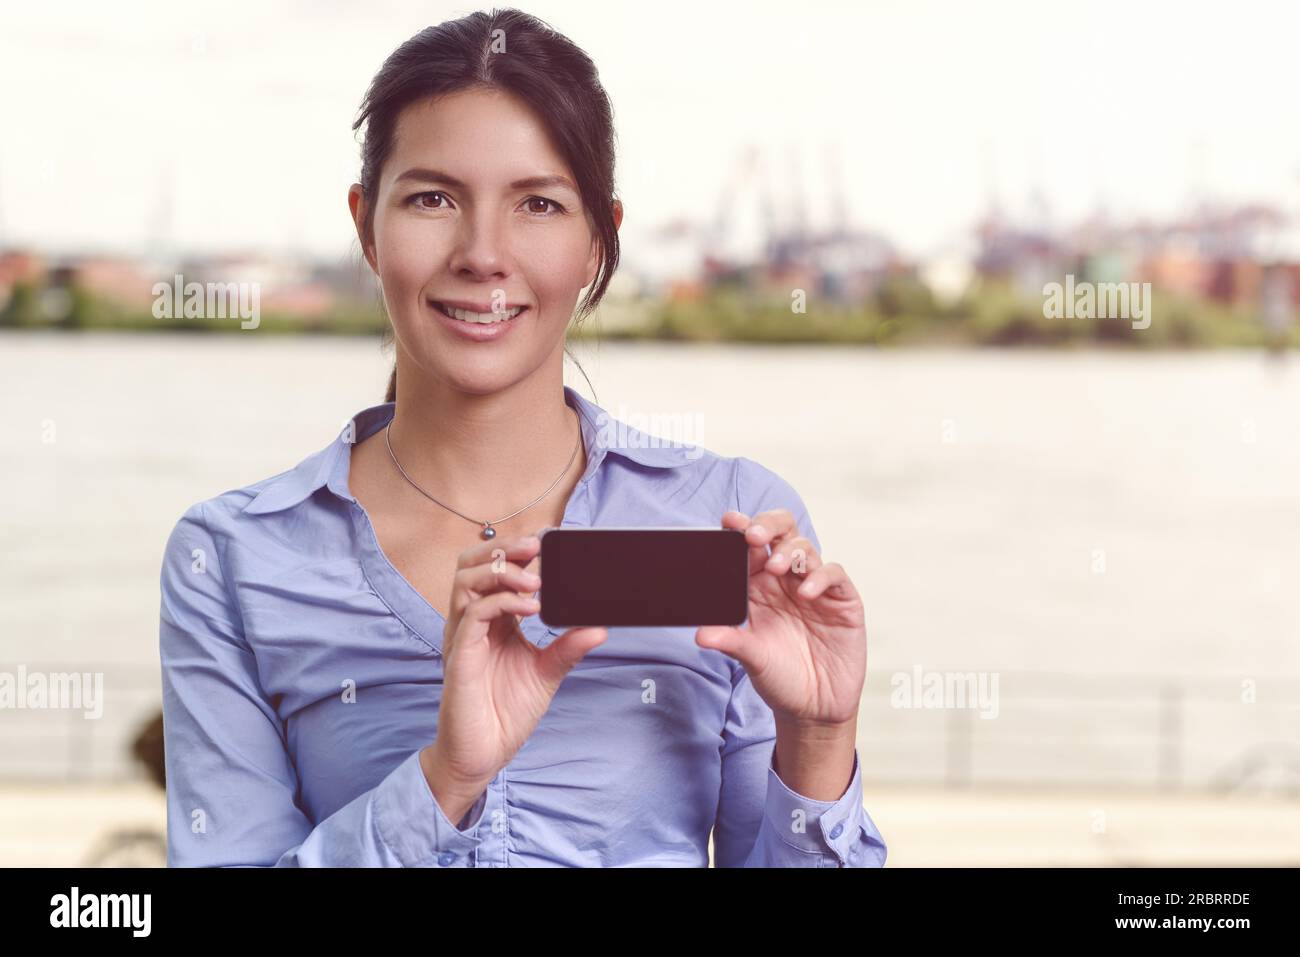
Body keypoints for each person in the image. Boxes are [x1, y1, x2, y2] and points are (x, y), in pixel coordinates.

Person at [158, 8, 887, 868]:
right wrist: (443, 779)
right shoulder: (234, 556)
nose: (482, 253)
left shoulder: (729, 517)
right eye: (432, 198)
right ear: (366, 223)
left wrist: (818, 732)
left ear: (596, 242)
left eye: (538, 203)